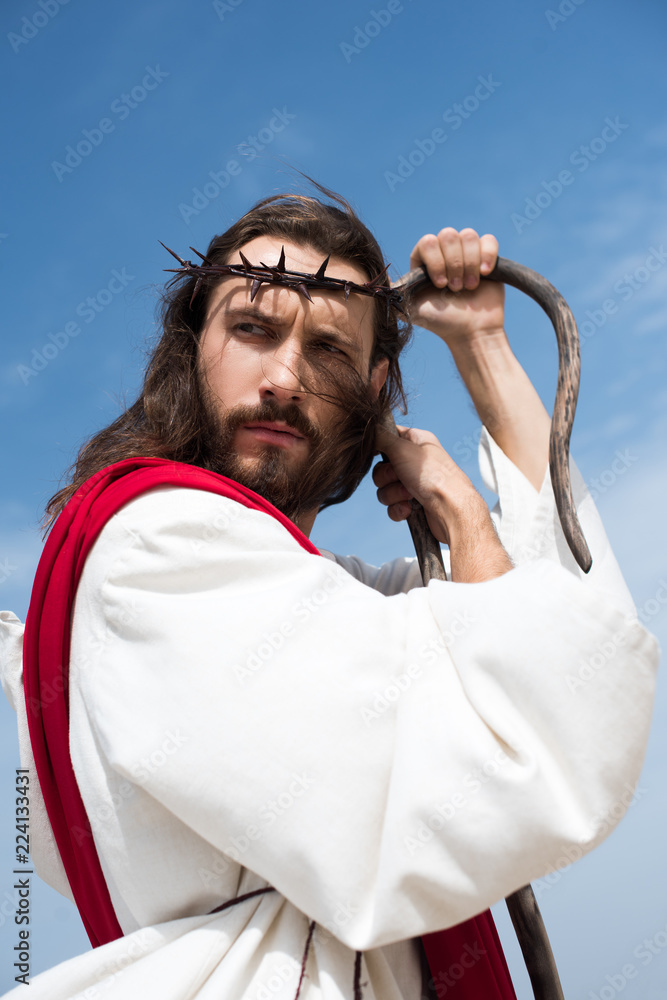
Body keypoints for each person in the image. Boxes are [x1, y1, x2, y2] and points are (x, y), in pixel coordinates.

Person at [0, 189, 658, 1000]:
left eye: (328, 351)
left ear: (372, 391)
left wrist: (483, 348)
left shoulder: (336, 599)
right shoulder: (161, 543)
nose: (283, 378)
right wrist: (464, 525)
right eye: (253, 330)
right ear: (190, 350)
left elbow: (571, 635)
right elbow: (516, 760)